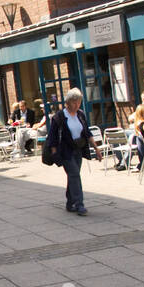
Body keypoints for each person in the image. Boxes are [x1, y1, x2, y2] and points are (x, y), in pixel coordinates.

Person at [45, 87, 96, 215]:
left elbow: (87, 132)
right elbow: (53, 136)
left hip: (78, 149)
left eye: (78, 102)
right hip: (65, 151)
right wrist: (54, 152)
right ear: (67, 102)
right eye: (74, 102)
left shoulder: (81, 114)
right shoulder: (59, 117)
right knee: (74, 175)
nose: (76, 104)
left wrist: (96, 148)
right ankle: (80, 204)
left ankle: (69, 202)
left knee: (73, 176)